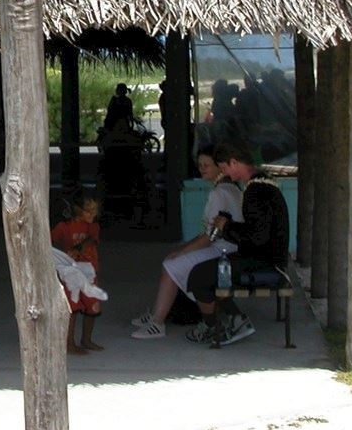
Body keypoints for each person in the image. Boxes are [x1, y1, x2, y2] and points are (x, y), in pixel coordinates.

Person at [129, 144, 241, 339]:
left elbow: (209, 236)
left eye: (207, 165)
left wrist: (182, 252)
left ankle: (157, 322)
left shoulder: (219, 193)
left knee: (171, 264)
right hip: (226, 246)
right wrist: (185, 250)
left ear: (219, 167)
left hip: (224, 249)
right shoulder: (231, 189)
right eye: (200, 165)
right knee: (173, 260)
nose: (202, 169)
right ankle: (156, 315)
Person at [189, 140, 289, 347]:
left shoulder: (255, 191)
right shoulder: (262, 184)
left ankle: (216, 326)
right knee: (209, 271)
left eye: (224, 167)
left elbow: (257, 236)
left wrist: (226, 226)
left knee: (199, 275)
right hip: (269, 258)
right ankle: (233, 320)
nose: (224, 173)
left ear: (234, 162)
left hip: (263, 262)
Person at [52, 192, 106, 354]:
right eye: (88, 211)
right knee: (73, 308)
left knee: (93, 306)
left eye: (95, 210)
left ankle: (86, 339)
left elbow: (91, 239)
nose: (93, 214)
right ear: (76, 209)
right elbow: (50, 242)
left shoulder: (93, 226)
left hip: (89, 271)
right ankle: (69, 343)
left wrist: (78, 248)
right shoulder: (63, 227)